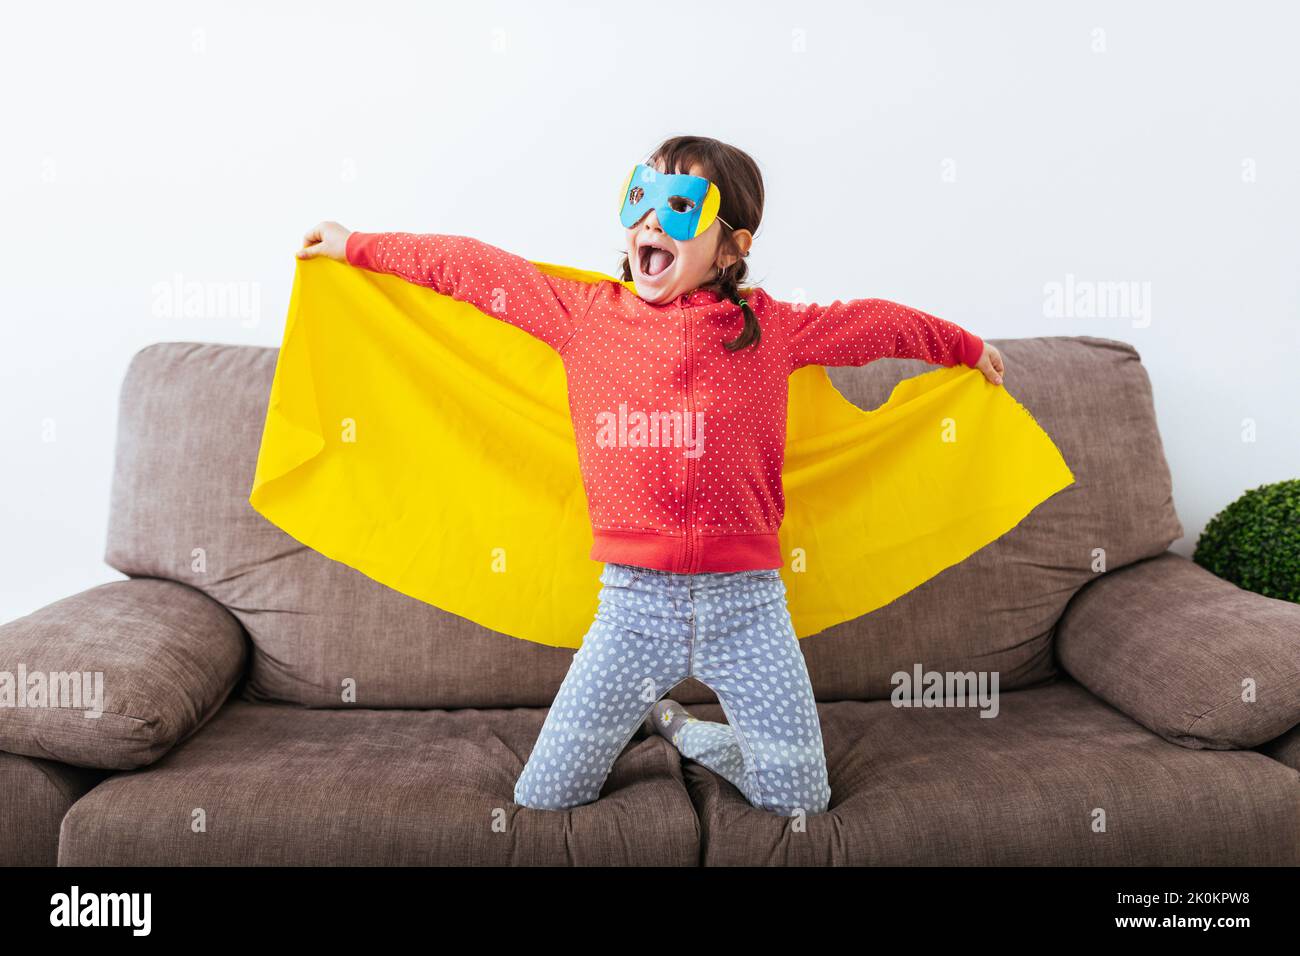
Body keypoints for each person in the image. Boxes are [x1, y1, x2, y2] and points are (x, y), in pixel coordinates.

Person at [296, 135, 1004, 817]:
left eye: (681, 204)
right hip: (632, 612)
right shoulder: (583, 317)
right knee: (543, 797)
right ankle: (663, 724)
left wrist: (964, 346)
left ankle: (692, 736)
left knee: (799, 802)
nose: (650, 220)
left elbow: (875, 325)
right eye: (641, 195)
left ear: (732, 247)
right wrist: (356, 245)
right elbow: (475, 271)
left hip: (748, 610)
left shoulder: (772, 328)